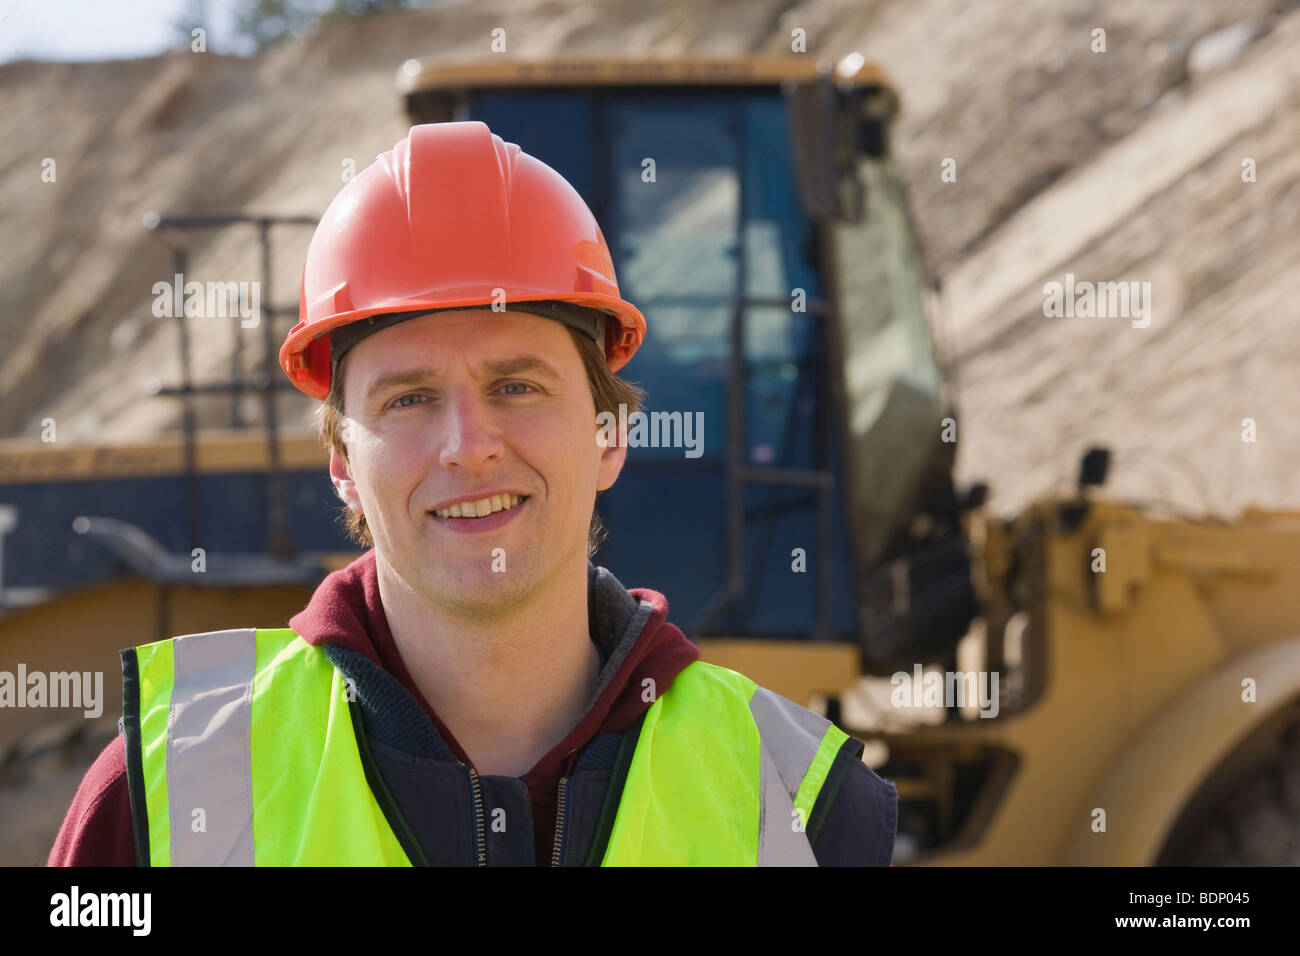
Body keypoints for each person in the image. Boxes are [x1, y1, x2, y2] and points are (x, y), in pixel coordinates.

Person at [49, 121, 898, 866]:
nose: (468, 446)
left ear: (610, 436)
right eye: (409, 399)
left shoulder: (804, 808)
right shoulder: (157, 797)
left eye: (518, 386)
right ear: (342, 461)